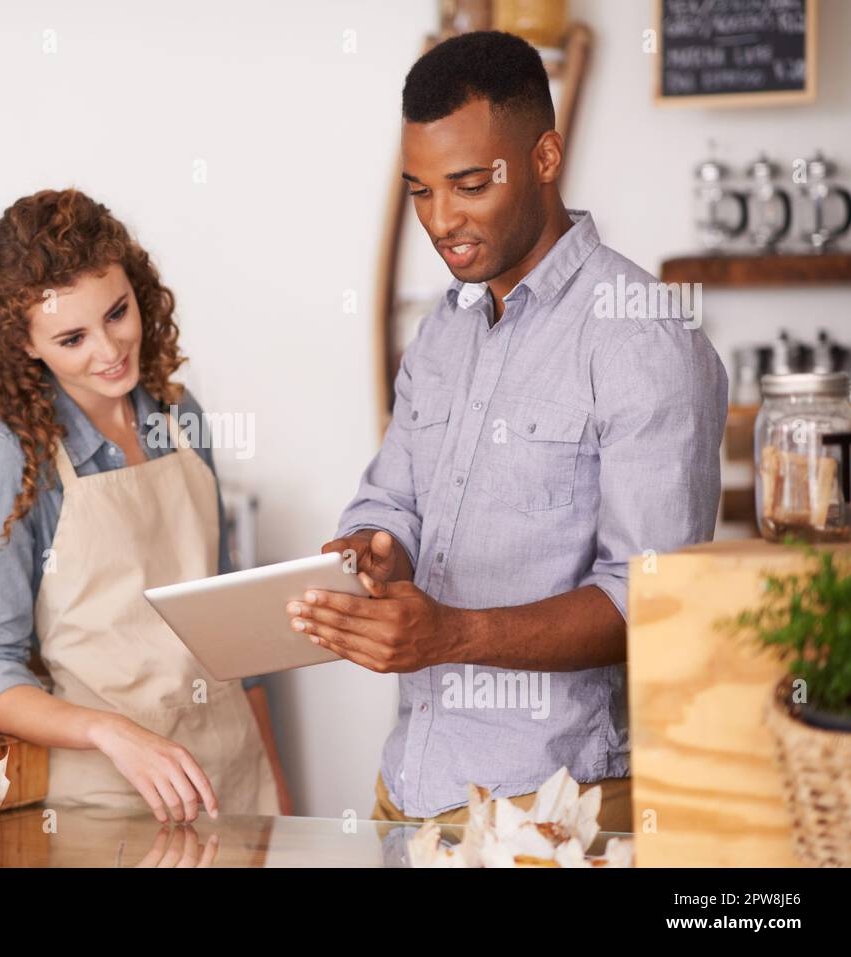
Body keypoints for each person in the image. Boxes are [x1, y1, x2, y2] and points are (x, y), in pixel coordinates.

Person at [284, 31, 727, 831]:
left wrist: (451, 633)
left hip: (554, 804)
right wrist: (379, 546)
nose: (441, 220)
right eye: (420, 190)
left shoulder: (642, 336)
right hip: (410, 786)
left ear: (546, 157)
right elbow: (391, 497)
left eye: (467, 184)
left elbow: (652, 601)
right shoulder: (445, 330)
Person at [0, 188, 281, 824]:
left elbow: (236, 630)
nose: (109, 349)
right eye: (72, 338)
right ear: (26, 345)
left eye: (117, 313)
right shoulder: (8, 459)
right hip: (107, 804)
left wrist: (277, 786)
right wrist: (111, 732)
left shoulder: (180, 418)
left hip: (234, 779)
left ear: (138, 287)